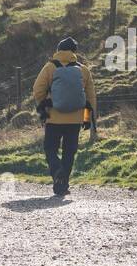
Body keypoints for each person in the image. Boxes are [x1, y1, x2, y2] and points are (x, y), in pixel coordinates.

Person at [31, 37, 96, 197]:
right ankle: (63, 185)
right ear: (74, 52)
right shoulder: (83, 70)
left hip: (53, 118)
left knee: (50, 149)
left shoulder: (50, 67)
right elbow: (90, 98)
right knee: (69, 152)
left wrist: (44, 108)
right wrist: (87, 118)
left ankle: (57, 171)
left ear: (58, 50)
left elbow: (38, 90)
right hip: (75, 119)